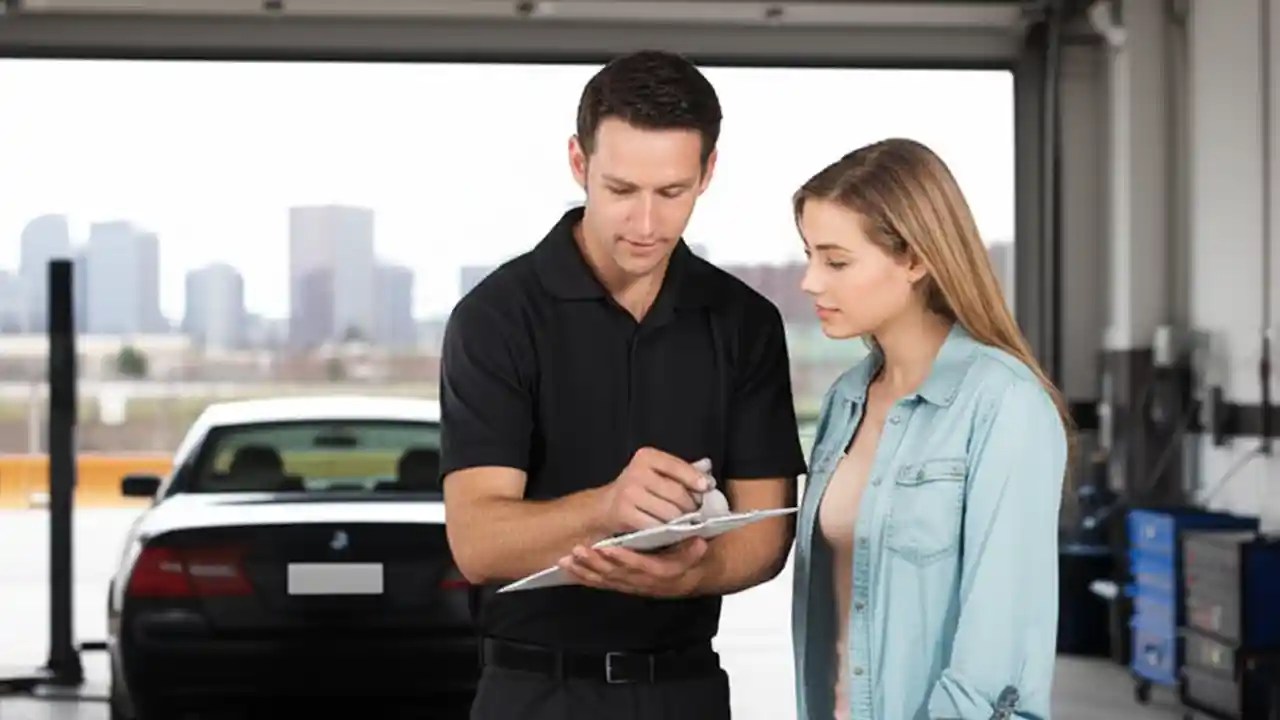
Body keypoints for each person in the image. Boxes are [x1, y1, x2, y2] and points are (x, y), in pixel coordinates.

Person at [438, 49, 808, 720]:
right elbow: (477, 541)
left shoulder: (744, 322)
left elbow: (765, 537)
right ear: (579, 164)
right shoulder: (495, 318)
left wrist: (686, 577)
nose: (645, 225)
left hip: (686, 690)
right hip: (532, 693)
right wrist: (607, 508)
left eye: (672, 193)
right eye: (620, 190)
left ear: (708, 172)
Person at [788, 138, 1074, 720]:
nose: (811, 282)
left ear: (915, 260)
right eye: (809, 256)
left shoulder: (1003, 404)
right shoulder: (845, 401)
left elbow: (999, 650)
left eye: (836, 261)